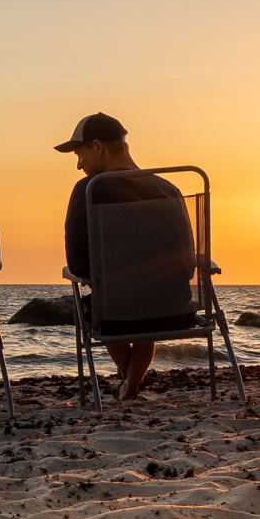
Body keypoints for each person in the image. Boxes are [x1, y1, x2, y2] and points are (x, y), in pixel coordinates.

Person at [56, 112, 194, 403]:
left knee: (105, 305)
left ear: (98, 146)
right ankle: (129, 387)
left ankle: (128, 380)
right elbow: (187, 260)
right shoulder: (169, 189)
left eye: (79, 155)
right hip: (174, 312)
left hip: (115, 316)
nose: (78, 165)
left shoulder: (89, 189)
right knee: (146, 305)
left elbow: (78, 264)